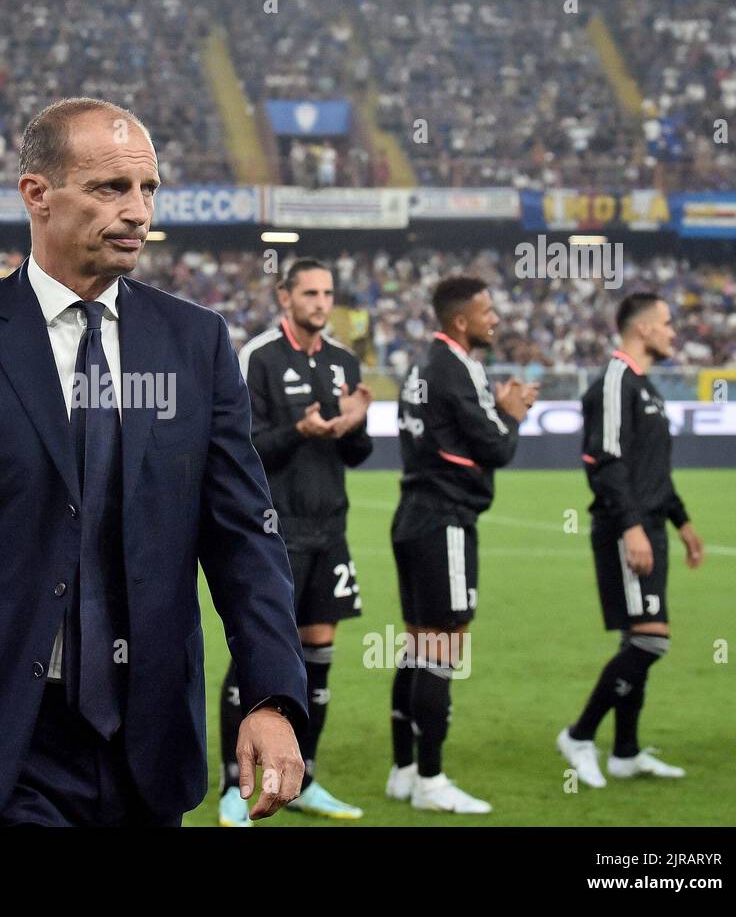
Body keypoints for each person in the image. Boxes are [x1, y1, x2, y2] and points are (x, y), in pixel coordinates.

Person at [0, 97, 309, 827]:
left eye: (148, 188)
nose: (137, 211)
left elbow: (245, 538)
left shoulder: (195, 342)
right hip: (0, 741)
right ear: (38, 194)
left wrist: (271, 696)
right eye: (109, 188)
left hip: (149, 740)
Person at [218, 258, 373, 826]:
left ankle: (304, 774)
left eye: (327, 292)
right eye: (309, 292)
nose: (320, 302)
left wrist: (355, 422)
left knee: (319, 658)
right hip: (273, 530)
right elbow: (243, 445)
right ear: (285, 297)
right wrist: (298, 431)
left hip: (329, 527)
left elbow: (356, 456)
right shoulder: (259, 356)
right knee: (257, 652)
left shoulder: (342, 361)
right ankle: (235, 784)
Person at [386, 275, 537, 814]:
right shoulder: (457, 366)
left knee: (417, 645)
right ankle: (431, 780)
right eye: (487, 310)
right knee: (444, 646)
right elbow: (495, 447)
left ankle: (403, 770)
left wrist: (496, 412)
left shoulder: (423, 365)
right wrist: (513, 413)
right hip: (445, 519)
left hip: (413, 515)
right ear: (460, 320)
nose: (494, 319)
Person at [558, 292, 704, 787]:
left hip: (652, 525)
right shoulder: (615, 381)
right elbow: (606, 461)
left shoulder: (646, 387)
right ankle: (579, 735)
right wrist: (632, 526)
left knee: (637, 636)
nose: (672, 331)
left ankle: (625, 751)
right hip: (628, 529)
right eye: (667, 322)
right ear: (642, 329)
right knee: (650, 639)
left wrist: (681, 523)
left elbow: (651, 472)